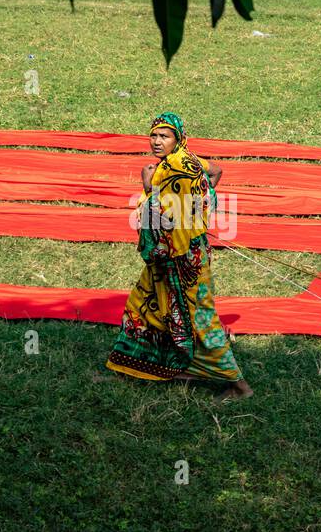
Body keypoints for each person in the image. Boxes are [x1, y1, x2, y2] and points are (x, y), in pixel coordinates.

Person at [105, 112, 253, 400]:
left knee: (200, 319)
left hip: (182, 260)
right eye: (154, 135)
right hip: (178, 254)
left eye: (165, 136)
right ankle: (129, 367)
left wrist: (148, 188)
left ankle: (239, 385)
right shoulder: (189, 160)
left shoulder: (174, 169)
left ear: (178, 139)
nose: (157, 141)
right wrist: (198, 210)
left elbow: (161, 216)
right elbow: (215, 172)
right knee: (142, 308)